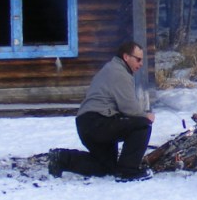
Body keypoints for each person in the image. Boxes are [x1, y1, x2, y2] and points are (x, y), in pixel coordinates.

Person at [53, 41, 155, 181]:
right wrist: (146, 116)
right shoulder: (119, 73)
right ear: (126, 57)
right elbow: (129, 108)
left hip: (87, 124)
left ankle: (63, 158)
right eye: (138, 59)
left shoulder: (111, 68)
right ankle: (128, 171)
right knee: (142, 124)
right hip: (97, 122)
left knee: (105, 168)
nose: (141, 63)